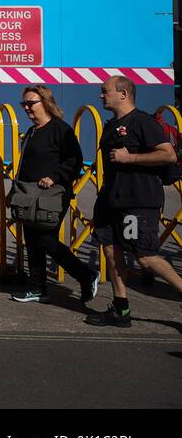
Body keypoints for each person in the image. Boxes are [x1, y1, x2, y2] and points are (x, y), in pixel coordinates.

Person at [85, 75, 182, 327]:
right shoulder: (111, 125)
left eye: (105, 91)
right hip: (111, 201)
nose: (101, 95)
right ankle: (121, 309)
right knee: (110, 249)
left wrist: (131, 159)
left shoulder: (143, 122)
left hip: (137, 202)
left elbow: (168, 155)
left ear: (124, 94)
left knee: (145, 257)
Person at [10, 85, 98, 305]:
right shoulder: (32, 131)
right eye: (24, 104)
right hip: (29, 195)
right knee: (31, 240)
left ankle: (86, 274)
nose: (27, 108)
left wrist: (55, 176)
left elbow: (74, 159)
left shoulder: (60, 129)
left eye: (31, 103)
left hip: (51, 196)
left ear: (46, 103)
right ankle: (37, 287)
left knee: (46, 240)